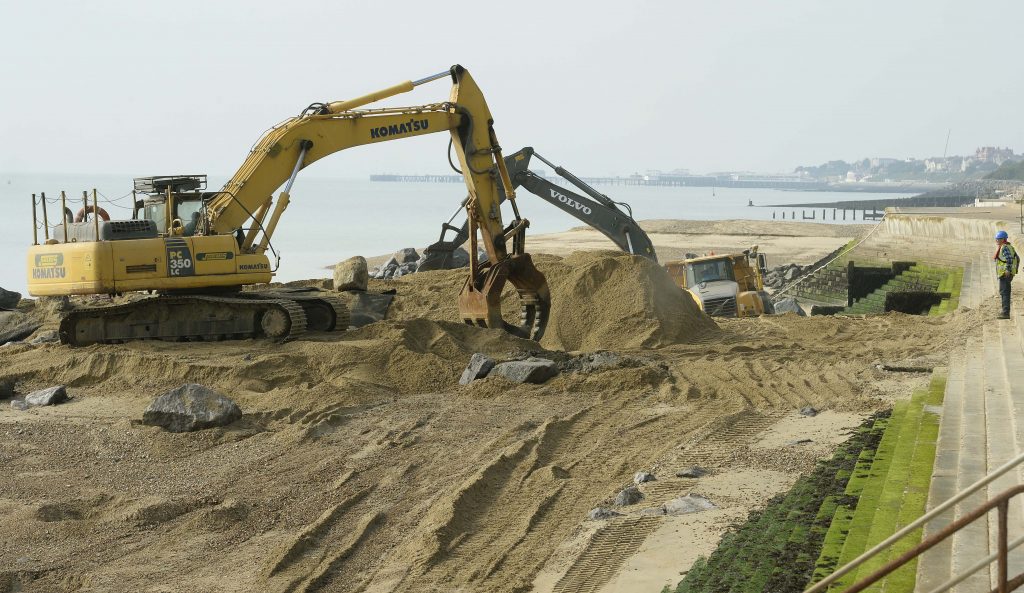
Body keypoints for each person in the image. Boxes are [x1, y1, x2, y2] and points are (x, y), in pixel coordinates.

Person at [994, 230, 1019, 319]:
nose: (997, 241)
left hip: (1005, 274)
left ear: (1003, 239)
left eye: (999, 239)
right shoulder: (1009, 247)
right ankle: (1005, 312)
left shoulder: (1004, 247)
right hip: (1006, 274)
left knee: (1004, 293)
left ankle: (1005, 313)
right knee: (1004, 292)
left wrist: (1008, 270)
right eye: (996, 239)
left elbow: (1009, 259)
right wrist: (1013, 271)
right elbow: (1017, 258)